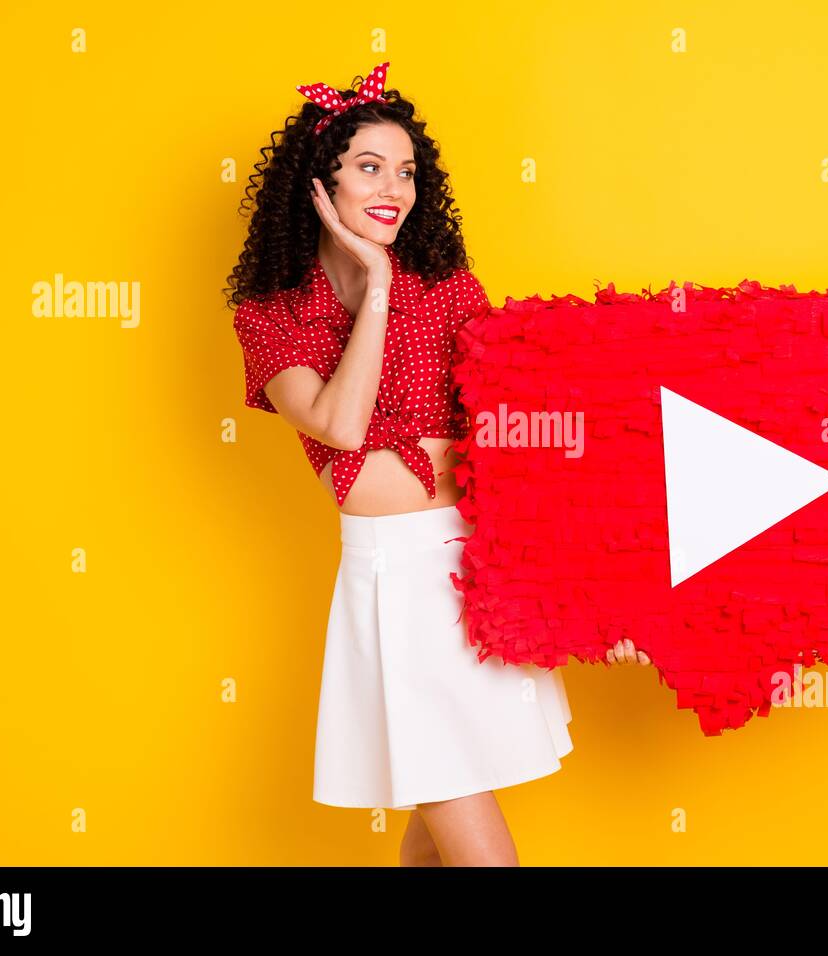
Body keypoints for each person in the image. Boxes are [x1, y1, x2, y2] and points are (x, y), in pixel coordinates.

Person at [226, 62, 650, 867]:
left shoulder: (451, 290)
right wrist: (379, 286)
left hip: (479, 566)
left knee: (436, 834)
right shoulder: (271, 312)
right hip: (396, 591)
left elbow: (516, 438)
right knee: (478, 844)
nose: (395, 188)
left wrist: (599, 585)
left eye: (408, 171)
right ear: (320, 184)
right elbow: (344, 432)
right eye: (369, 167)